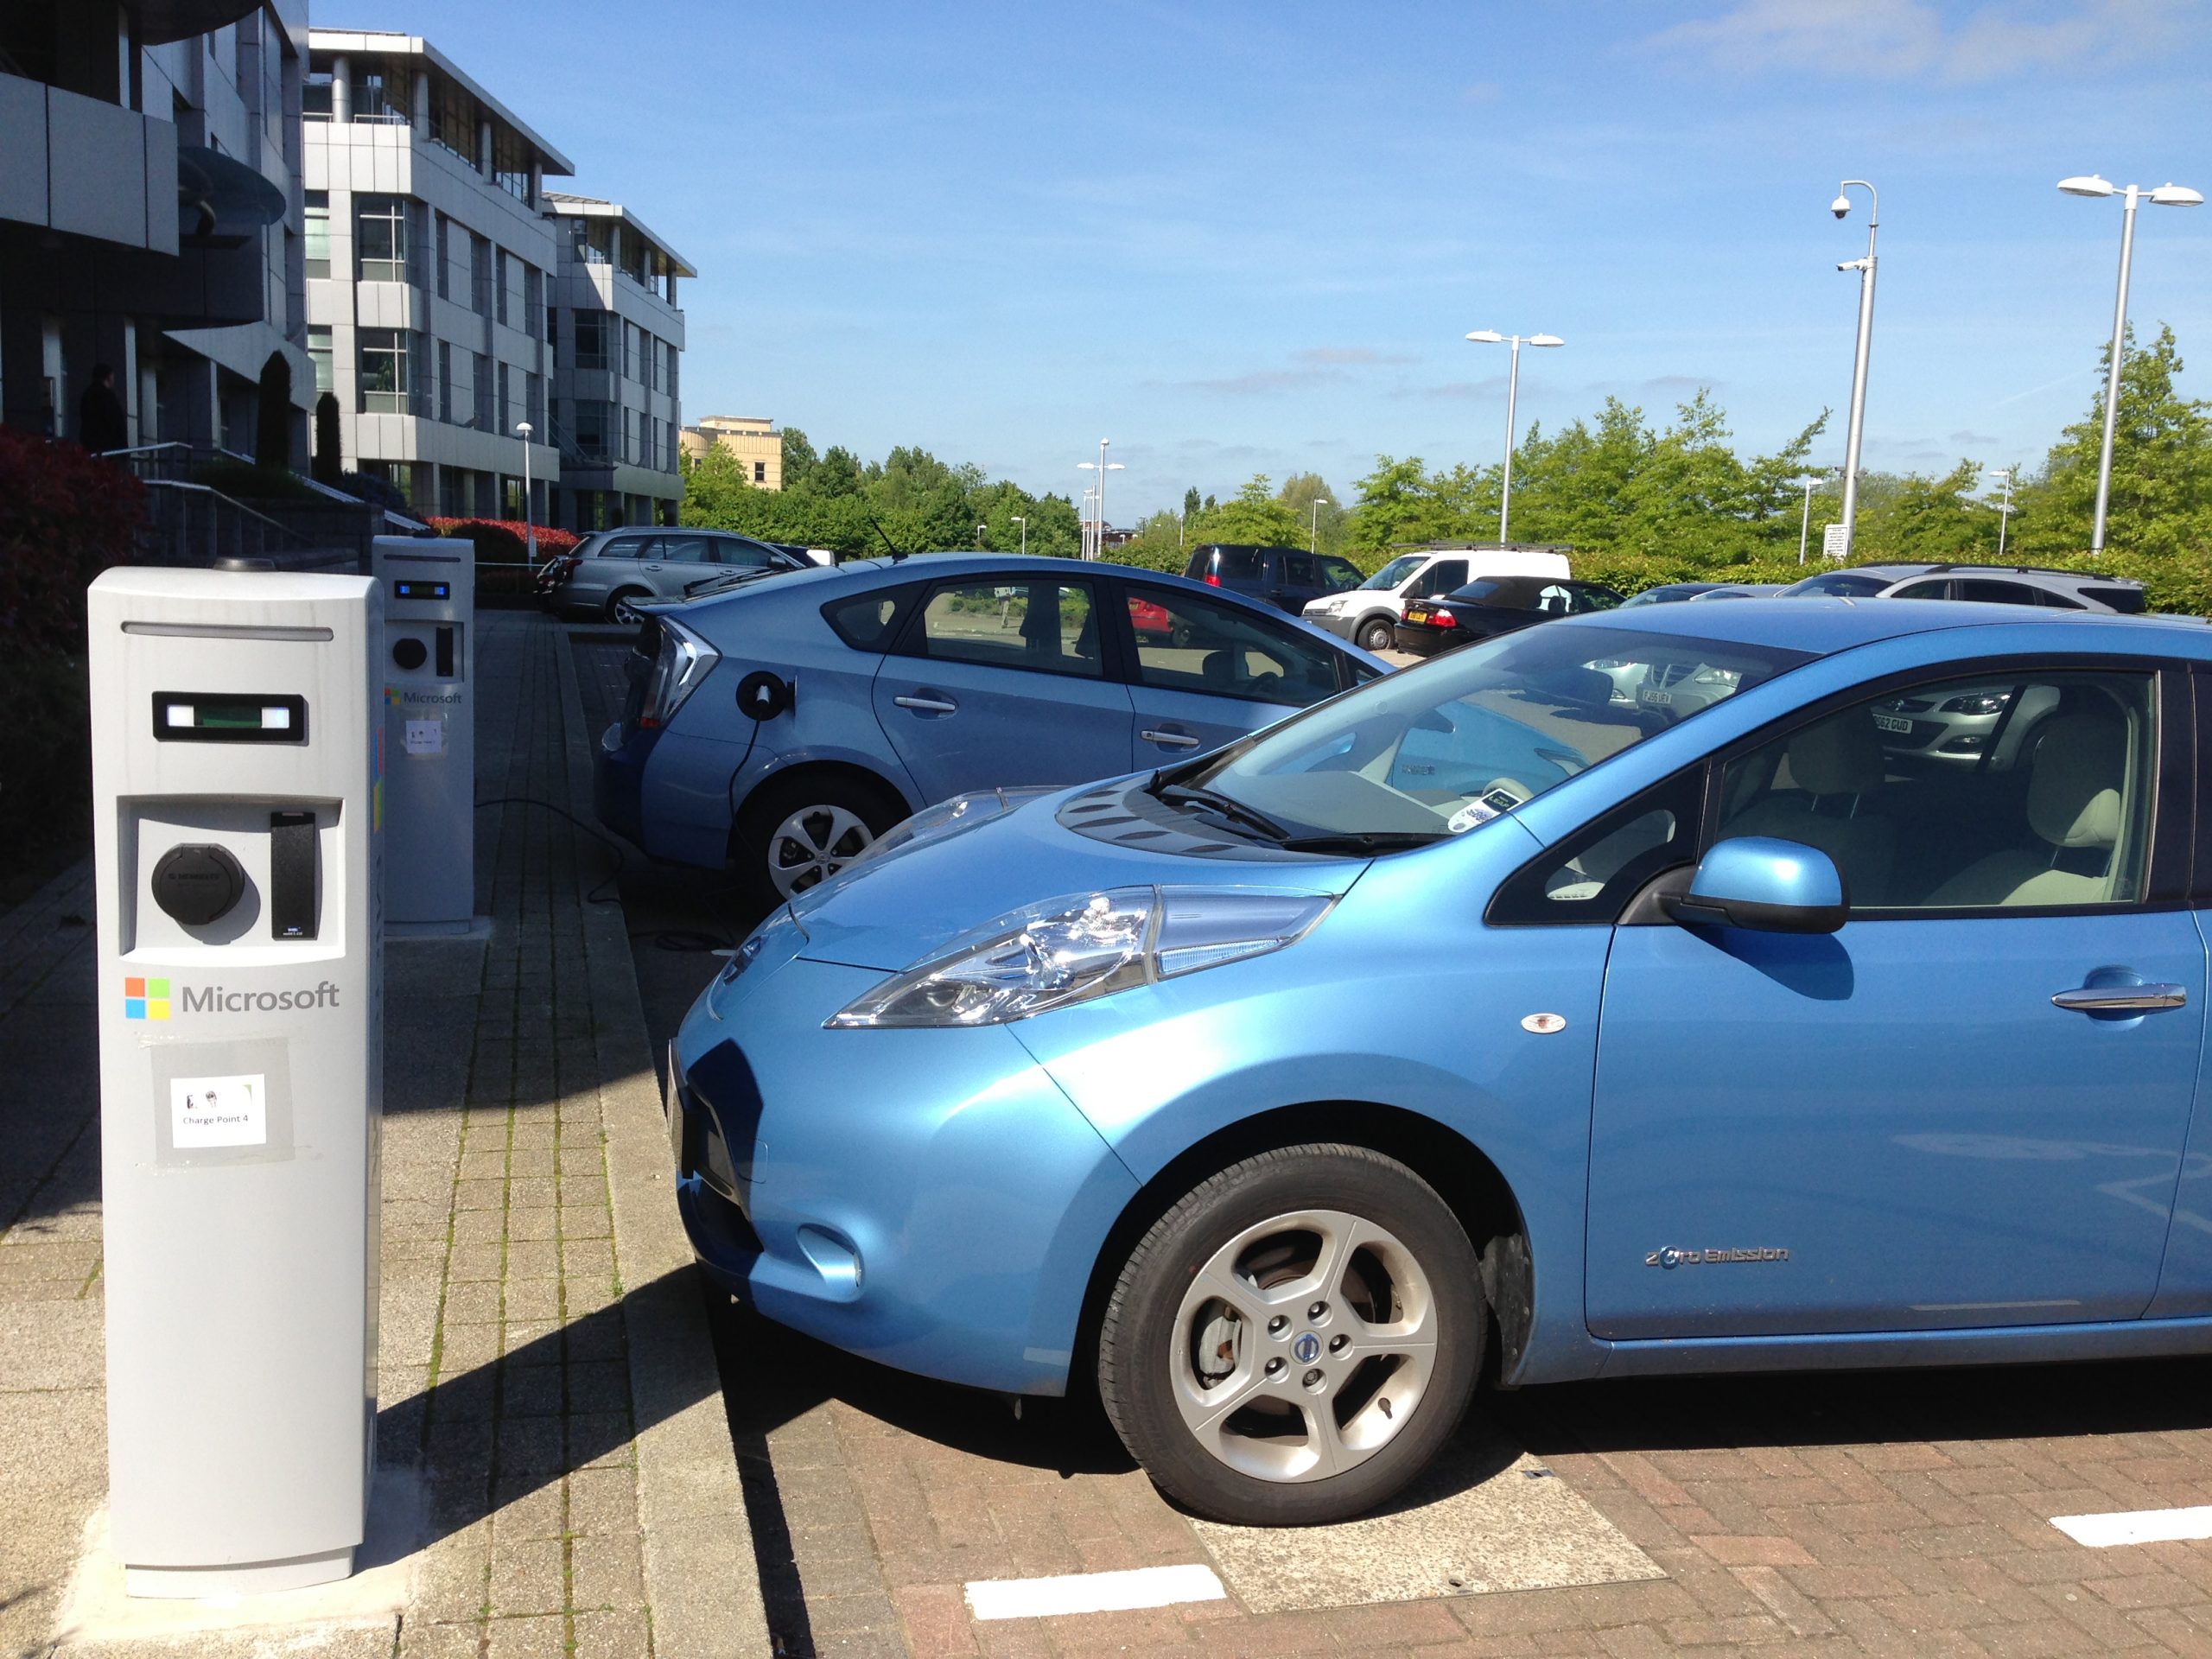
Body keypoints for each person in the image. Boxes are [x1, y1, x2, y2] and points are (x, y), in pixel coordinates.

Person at [78, 364, 127, 455]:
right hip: (109, 446)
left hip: (90, 444)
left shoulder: (87, 394)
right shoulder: (108, 396)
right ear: (108, 377)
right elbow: (116, 422)